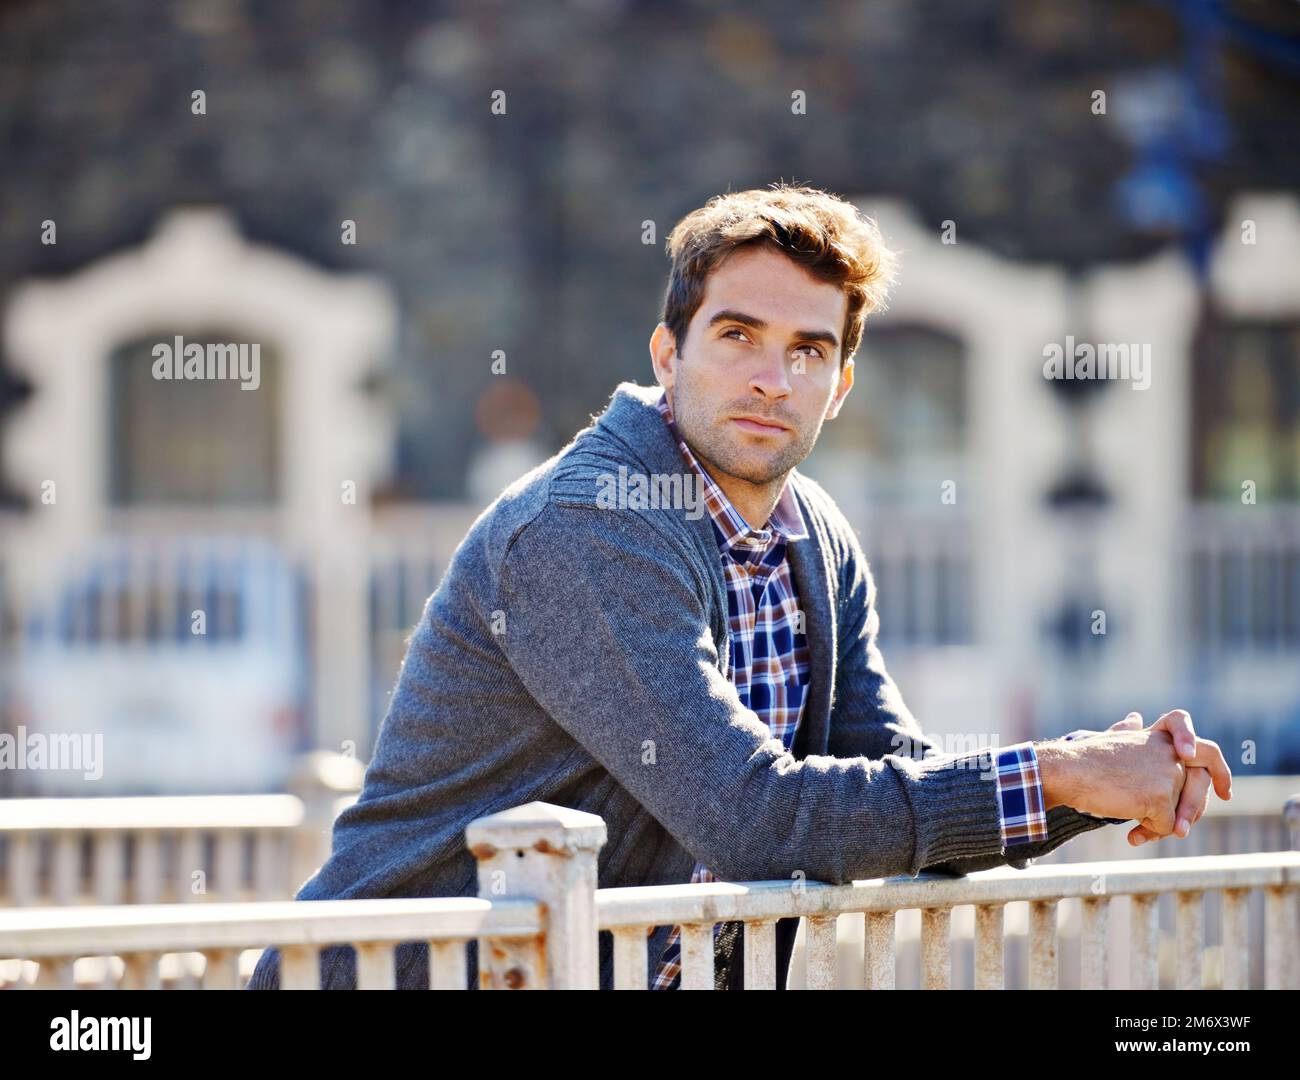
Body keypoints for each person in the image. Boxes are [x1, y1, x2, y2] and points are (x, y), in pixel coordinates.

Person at [245, 183, 1231, 991]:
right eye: (737, 336)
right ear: (667, 354)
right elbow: (753, 817)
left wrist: (1103, 782)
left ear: (839, 387)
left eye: (808, 351)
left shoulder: (817, 538)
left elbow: (897, 793)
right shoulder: (590, 524)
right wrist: (1060, 772)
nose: (772, 378)